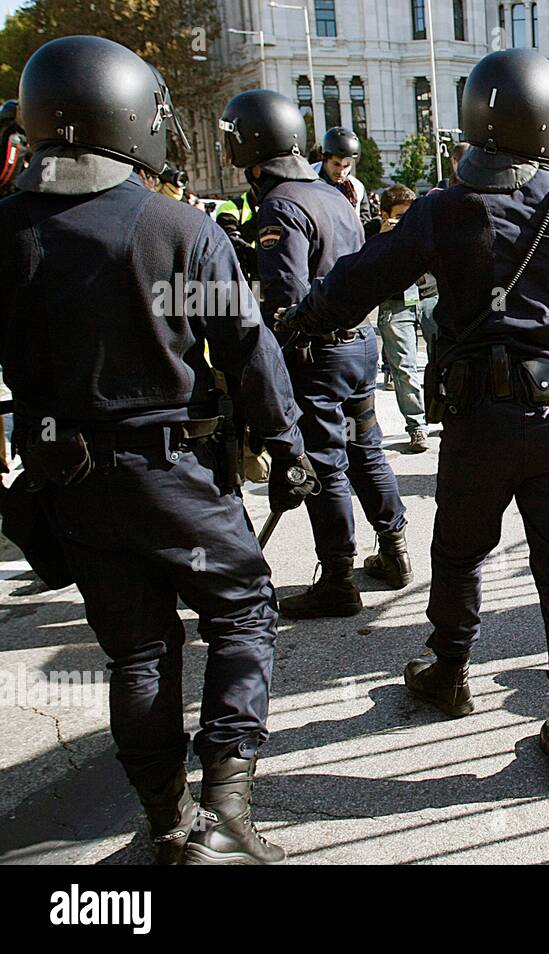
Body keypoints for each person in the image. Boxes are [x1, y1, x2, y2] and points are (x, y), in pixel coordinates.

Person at [273, 48, 549, 793]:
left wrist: (302, 324)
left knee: (460, 554)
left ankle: (449, 671)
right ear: (548, 123)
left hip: (477, 424)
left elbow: (360, 279)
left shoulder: (443, 210)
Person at [1, 36, 319, 864]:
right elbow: (249, 352)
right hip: (173, 473)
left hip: (65, 481)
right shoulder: (182, 228)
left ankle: (169, 822)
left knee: (137, 652)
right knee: (245, 610)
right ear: (133, 115)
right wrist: (287, 449)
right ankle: (226, 807)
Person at [220, 89, 412, 618]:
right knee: (366, 449)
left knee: (326, 463)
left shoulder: (280, 205)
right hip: (360, 346)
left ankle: (338, 579)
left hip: (318, 354)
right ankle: (395, 551)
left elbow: (287, 302)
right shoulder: (333, 195)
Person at [373, 184, 431, 452]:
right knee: (404, 367)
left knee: (445, 357)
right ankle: (416, 425)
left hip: (429, 296)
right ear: (385, 214)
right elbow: (364, 269)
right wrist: (384, 239)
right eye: (399, 216)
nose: (405, 222)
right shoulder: (374, 233)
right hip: (395, 302)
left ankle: (444, 413)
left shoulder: (425, 224)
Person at [313, 125, 373, 223]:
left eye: (346, 166)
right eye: (336, 164)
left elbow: (363, 222)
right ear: (325, 159)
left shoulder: (357, 188)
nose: (341, 172)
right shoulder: (306, 179)